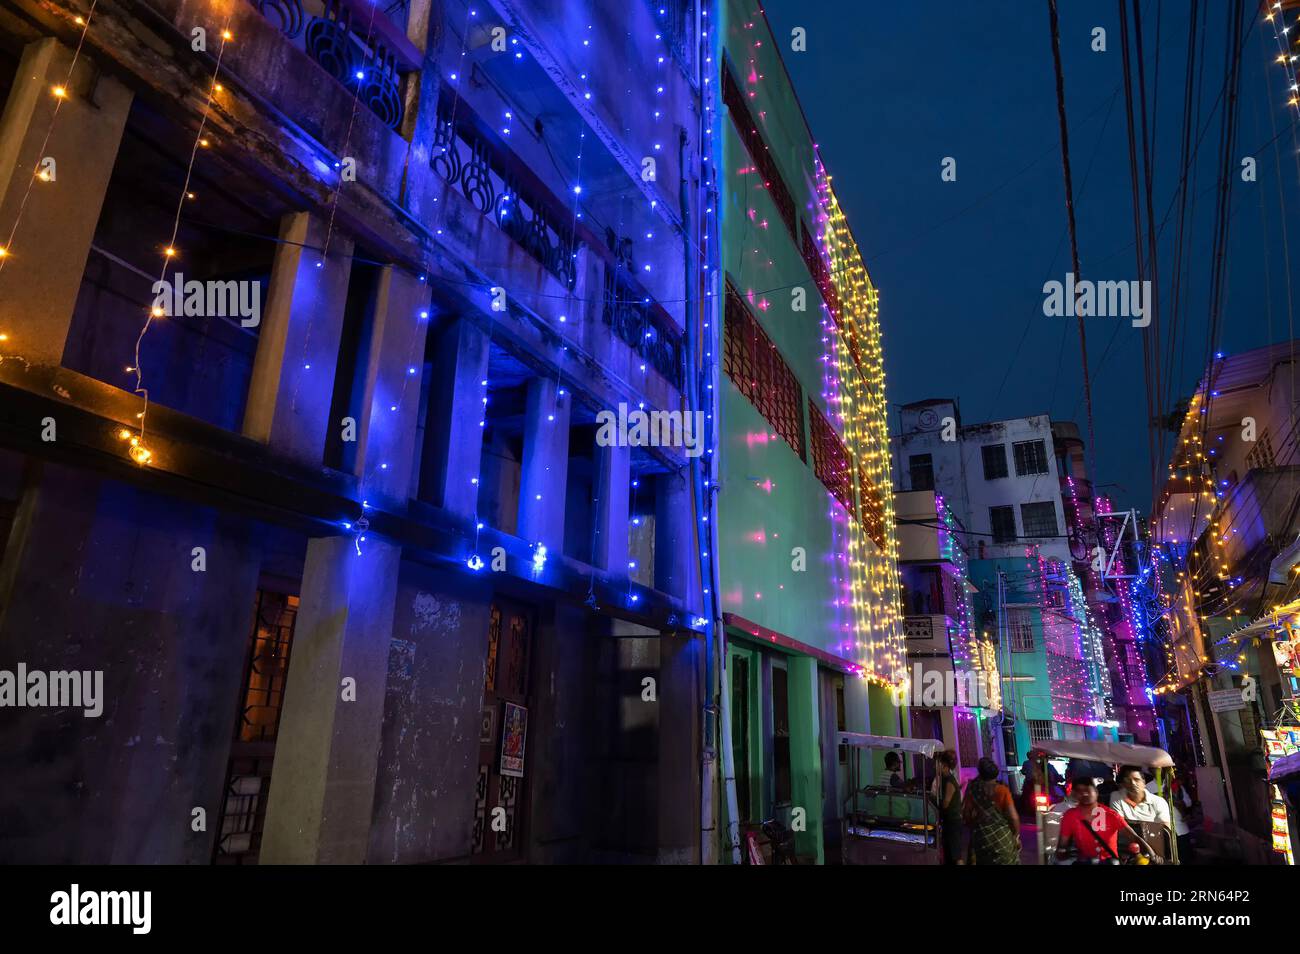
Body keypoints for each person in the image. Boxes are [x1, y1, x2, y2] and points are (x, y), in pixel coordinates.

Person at [1056, 777, 1141, 863]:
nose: (1084, 793)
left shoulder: (1111, 815)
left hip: (1109, 861)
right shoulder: (1070, 816)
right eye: (1079, 790)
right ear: (1074, 795)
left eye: (1087, 789)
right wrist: (1062, 855)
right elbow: (1062, 845)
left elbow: (1133, 837)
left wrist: (1152, 855)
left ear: (1096, 792)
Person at [962, 757, 1021, 864]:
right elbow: (1014, 817)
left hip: (982, 841)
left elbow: (966, 814)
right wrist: (1016, 835)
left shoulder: (972, 790)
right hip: (1002, 841)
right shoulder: (1002, 790)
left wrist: (977, 826)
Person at [934, 750, 963, 865]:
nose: (935, 766)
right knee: (950, 852)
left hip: (953, 821)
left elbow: (946, 803)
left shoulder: (949, 781)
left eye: (938, 764)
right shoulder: (944, 779)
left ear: (945, 766)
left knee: (955, 854)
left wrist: (933, 801)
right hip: (948, 820)